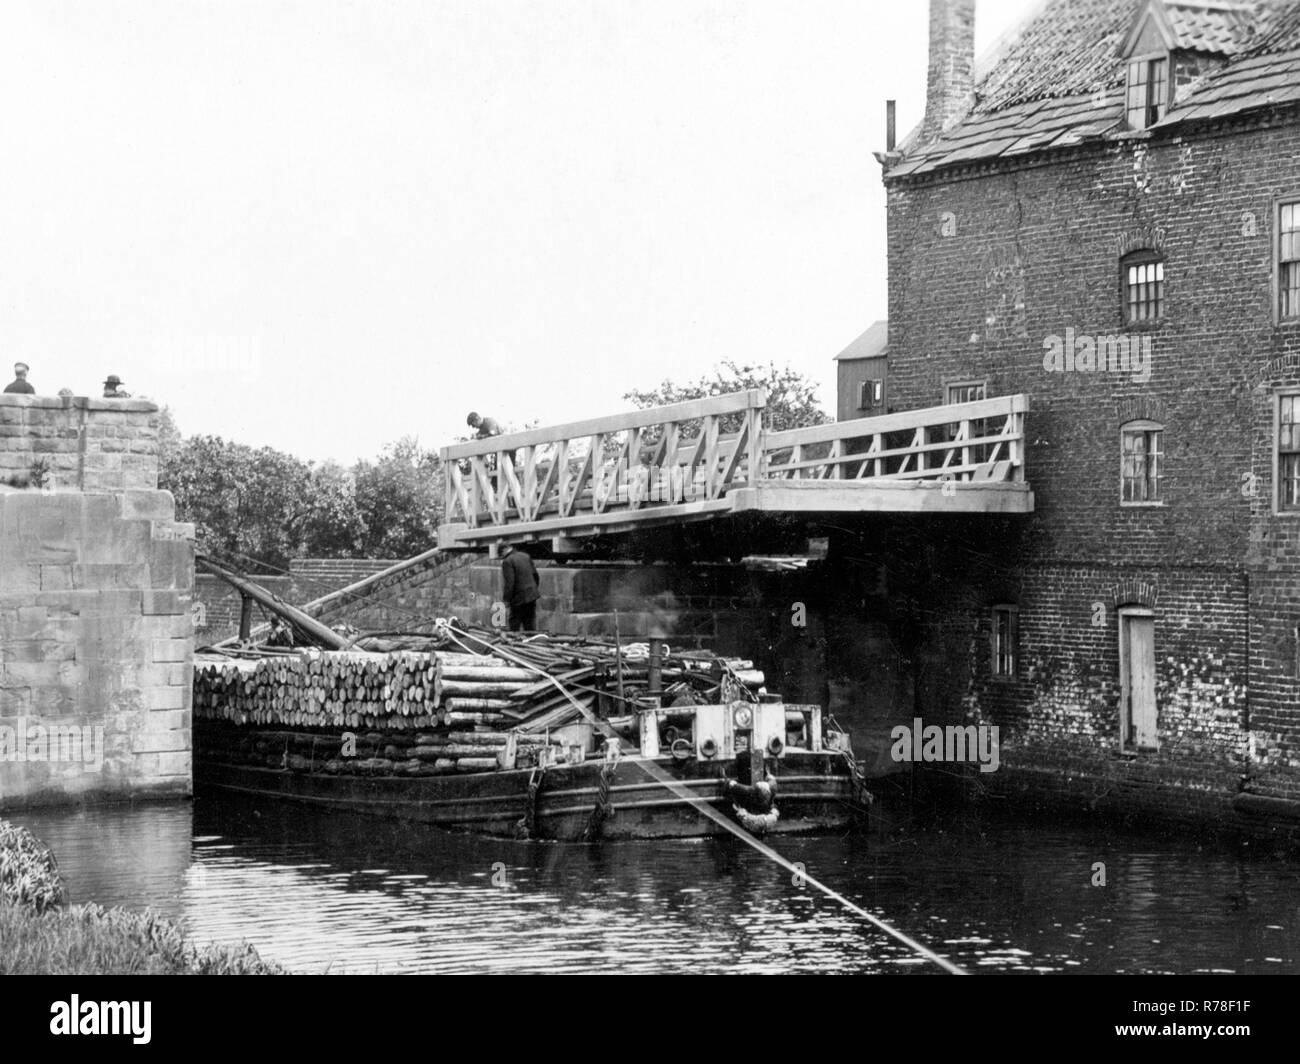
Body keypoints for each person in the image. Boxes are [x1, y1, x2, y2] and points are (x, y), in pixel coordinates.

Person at [500, 544, 541, 632]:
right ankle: (531, 642)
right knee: (530, 623)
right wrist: (533, 589)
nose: (502, 556)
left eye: (501, 554)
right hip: (532, 595)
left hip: (519, 598)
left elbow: (510, 583)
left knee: (514, 624)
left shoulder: (508, 561)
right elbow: (536, 576)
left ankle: (514, 643)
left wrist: (506, 600)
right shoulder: (525, 556)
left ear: (504, 550)